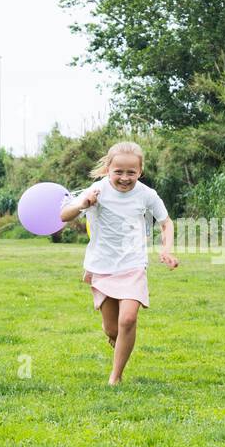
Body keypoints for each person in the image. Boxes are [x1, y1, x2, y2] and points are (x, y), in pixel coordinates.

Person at [59, 142, 179, 386]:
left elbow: (166, 223)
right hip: (102, 265)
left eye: (131, 172)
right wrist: (84, 204)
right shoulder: (97, 190)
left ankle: (116, 376)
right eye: (119, 172)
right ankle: (116, 338)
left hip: (133, 264)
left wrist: (166, 249)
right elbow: (64, 216)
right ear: (108, 169)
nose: (125, 178)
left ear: (140, 171)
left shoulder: (147, 194)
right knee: (112, 329)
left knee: (128, 320)